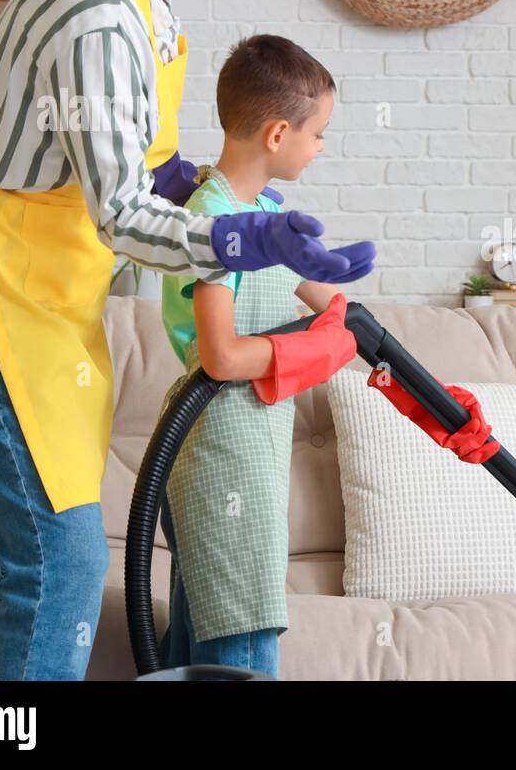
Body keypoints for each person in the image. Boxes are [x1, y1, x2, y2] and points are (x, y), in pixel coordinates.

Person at [0, 0, 375, 680]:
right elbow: (120, 213)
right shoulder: (97, 9)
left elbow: (134, 163)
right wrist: (244, 234)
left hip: (36, 295)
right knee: (62, 561)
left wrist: (225, 208)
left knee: (15, 565)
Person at [154, 35, 360, 677]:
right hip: (222, 451)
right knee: (240, 637)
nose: (322, 146)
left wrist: (343, 312)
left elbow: (331, 306)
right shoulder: (218, 224)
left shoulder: (262, 213)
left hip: (248, 447)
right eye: (319, 132)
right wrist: (312, 350)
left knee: (205, 637)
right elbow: (220, 356)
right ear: (278, 134)